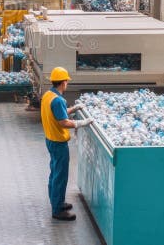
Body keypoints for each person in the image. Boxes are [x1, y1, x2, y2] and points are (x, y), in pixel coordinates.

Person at [41, 67, 93, 221]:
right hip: (58, 142)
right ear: (63, 83)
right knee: (60, 175)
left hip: (50, 139)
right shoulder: (57, 100)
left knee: (54, 172)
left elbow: (59, 113)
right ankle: (57, 210)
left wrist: (74, 108)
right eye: (67, 82)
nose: (67, 84)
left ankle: (57, 201)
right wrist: (80, 123)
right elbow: (63, 122)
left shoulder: (48, 96)